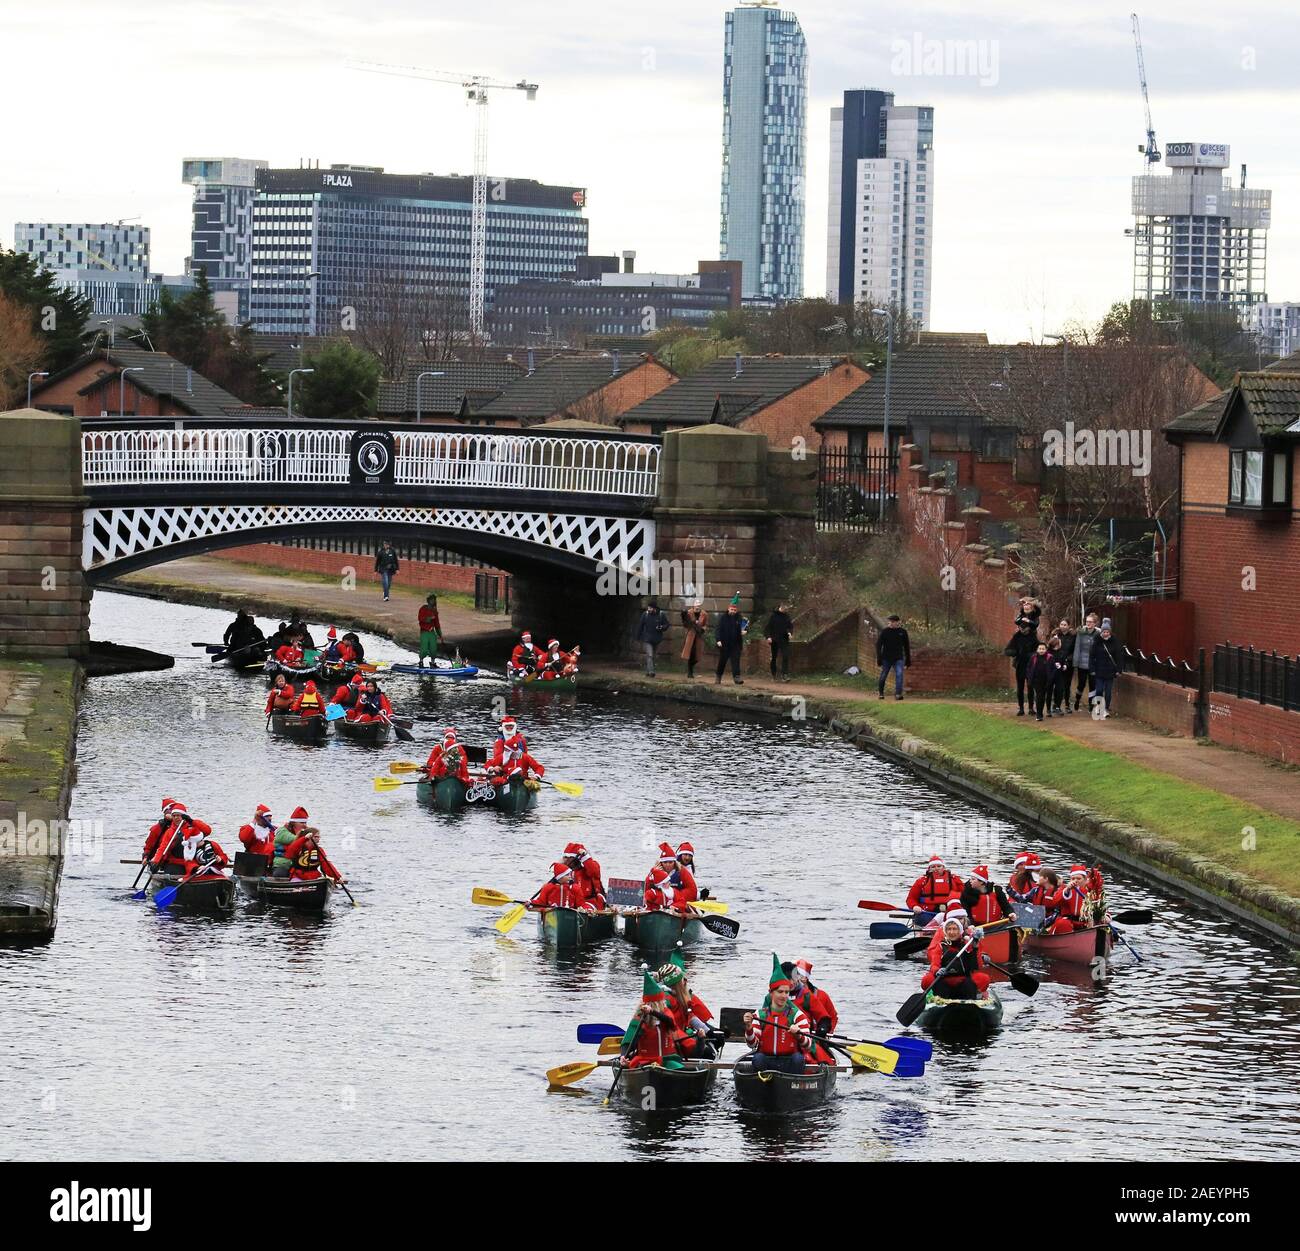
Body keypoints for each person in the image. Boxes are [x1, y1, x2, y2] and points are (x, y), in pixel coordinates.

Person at [743, 955, 816, 1075]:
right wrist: (749, 1028)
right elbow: (752, 1044)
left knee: (798, 1059)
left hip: (790, 1061)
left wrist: (799, 1035)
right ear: (771, 993)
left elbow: (808, 1045)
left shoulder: (797, 1016)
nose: (784, 996)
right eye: (780, 992)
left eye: (787, 992)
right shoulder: (760, 1015)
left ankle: (792, 1084)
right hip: (767, 1060)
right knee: (757, 1059)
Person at [620, 972, 689, 1070]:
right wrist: (623, 1056)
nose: (664, 1003)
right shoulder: (639, 1018)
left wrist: (653, 1012)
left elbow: (671, 1023)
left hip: (667, 1060)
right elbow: (628, 1041)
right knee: (637, 1066)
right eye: (662, 1002)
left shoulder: (665, 1012)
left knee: (680, 1069)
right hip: (645, 1061)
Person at [658, 949, 719, 1060]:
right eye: (682, 980)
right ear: (676, 983)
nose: (685, 982)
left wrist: (709, 1031)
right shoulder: (667, 1000)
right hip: (670, 1039)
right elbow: (670, 1026)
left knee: (711, 1043)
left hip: (679, 1033)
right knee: (708, 1054)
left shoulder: (679, 998)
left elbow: (690, 1017)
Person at [921, 908, 989, 998]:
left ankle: (974, 996)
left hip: (963, 979)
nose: (952, 932)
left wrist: (976, 947)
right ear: (945, 931)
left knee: (983, 978)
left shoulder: (967, 943)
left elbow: (975, 965)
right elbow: (934, 964)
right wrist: (937, 971)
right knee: (927, 980)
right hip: (944, 979)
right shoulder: (940, 945)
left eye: (954, 929)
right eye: (949, 929)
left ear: (959, 931)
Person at [789, 958, 838, 1062]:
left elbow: (832, 1016)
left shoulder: (822, 996)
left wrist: (827, 1033)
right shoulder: (785, 994)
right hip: (794, 1034)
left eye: (796, 975)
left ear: (805, 978)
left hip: (816, 1036)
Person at [148, 802, 213, 874]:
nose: (176, 818)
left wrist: (192, 821)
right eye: (174, 816)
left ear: (184, 816)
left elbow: (208, 830)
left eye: (178, 815)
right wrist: (156, 862)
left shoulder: (193, 825)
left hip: (193, 861)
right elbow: (163, 848)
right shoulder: (170, 831)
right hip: (176, 863)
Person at [1043, 864, 1105, 934]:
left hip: (1085, 923)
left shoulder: (1091, 892)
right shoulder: (1064, 889)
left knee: (1099, 925)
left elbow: (1101, 907)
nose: (1075, 881)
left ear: (1085, 880)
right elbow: (1055, 901)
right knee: (1063, 923)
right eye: (1073, 879)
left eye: (1078, 878)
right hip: (1068, 921)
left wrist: (1105, 916)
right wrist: (1067, 890)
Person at [487, 715, 544, 789]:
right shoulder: (501, 752)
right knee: (497, 780)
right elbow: (489, 763)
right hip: (506, 779)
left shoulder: (524, 756)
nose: (509, 728)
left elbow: (539, 767)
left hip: (523, 779)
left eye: (511, 726)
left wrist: (536, 776)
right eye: (507, 726)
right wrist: (493, 768)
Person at [1004, 617, 1038, 716]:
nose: (1023, 629)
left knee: (1031, 686)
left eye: (1025, 628)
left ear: (1028, 628)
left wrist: (1032, 655)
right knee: (1020, 687)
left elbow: (1039, 648)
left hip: (1030, 665)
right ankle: (1021, 708)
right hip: (1020, 664)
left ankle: (1031, 708)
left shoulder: (1033, 637)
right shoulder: (1016, 637)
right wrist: (1015, 652)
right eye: (1021, 628)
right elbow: (1007, 650)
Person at [1090, 621, 1125, 715]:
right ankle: (1098, 706)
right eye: (1104, 632)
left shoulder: (1114, 642)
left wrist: (1119, 670)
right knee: (1099, 690)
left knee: (1108, 692)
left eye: (1107, 632)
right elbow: (1092, 656)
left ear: (1110, 632)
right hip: (1099, 670)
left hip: (1110, 671)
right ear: (1101, 632)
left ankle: (1105, 708)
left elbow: (1118, 656)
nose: (1105, 634)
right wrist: (1092, 669)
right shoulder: (1097, 641)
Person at [531, 862, 595, 911]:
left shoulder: (575, 888)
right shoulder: (547, 887)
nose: (570, 877)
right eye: (567, 875)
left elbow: (581, 904)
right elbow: (540, 902)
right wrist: (531, 903)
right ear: (560, 877)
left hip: (570, 916)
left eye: (569, 874)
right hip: (551, 917)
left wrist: (587, 909)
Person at [876, 612, 912, 700]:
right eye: (889, 622)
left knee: (899, 674)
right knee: (884, 674)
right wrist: (879, 658)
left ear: (898, 622)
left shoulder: (903, 632)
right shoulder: (885, 632)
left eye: (892, 621)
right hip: (886, 658)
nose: (890, 623)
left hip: (898, 657)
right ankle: (881, 693)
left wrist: (908, 660)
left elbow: (907, 647)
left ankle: (898, 694)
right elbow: (878, 645)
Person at [714, 594, 747, 685]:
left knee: (736, 661)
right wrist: (718, 640)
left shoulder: (739, 618)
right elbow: (718, 629)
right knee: (722, 661)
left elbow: (744, 627)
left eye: (734, 610)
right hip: (725, 644)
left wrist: (744, 631)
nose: (733, 611)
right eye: (731, 610)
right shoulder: (723, 618)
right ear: (728, 609)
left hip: (736, 644)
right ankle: (718, 676)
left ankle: (737, 678)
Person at [1071, 612, 1101, 711]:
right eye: (1087, 621)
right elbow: (1077, 647)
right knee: (1081, 684)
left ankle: (1091, 705)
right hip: (1082, 663)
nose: (1088, 623)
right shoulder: (1081, 632)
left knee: (1093, 685)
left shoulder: (1098, 633)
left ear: (1095, 623)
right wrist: (1075, 663)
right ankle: (1077, 700)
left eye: (1090, 622)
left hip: (1093, 664)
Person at [1026, 642, 1061, 722]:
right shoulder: (1033, 657)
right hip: (1036, 681)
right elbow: (1029, 668)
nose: (1041, 650)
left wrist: (1051, 678)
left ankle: (1043, 711)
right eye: (1040, 649)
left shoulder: (1050, 657)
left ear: (1046, 650)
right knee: (1039, 697)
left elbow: (1053, 669)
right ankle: (1039, 714)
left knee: (1044, 697)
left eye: (1043, 649)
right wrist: (1029, 677)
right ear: (1037, 650)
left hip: (1046, 681)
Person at [563, 842, 606, 909]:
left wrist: (585, 856)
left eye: (567, 857)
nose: (564, 860)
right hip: (570, 903)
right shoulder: (565, 872)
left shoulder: (591, 868)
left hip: (590, 902)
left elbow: (593, 872)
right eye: (564, 857)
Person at [636, 600, 670, 677]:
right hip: (647, 639)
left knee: (653, 656)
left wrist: (661, 627)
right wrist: (638, 637)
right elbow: (640, 626)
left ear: (654, 608)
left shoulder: (661, 614)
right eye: (648, 608)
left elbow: (667, 624)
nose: (649, 609)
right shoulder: (645, 614)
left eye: (650, 608)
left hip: (657, 639)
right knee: (650, 655)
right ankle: (651, 672)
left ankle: (648, 671)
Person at [765, 602, 795, 683]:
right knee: (774, 657)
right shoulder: (773, 616)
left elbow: (790, 626)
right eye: (784, 609)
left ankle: (785, 674)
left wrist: (789, 632)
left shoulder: (787, 616)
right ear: (780, 608)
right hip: (774, 640)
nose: (786, 610)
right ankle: (773, 674)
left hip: (784, 639)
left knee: (785, 656)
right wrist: (768, 637)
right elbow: (767, 628)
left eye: (787, 609)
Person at [670, 841, 706, 908]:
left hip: (683, 899)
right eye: (685, 854)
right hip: (675, 898)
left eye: (689, 855)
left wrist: (699, 895)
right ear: (680, 855)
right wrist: (699, 895)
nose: (687, 858)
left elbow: (690, 888)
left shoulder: (689, 868)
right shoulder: (674, 867)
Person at [680, 599, 709, 679]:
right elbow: (685, 624)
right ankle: (690, 672)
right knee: (691, 653)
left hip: (699, 636)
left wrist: (703, 629)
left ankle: (690, 667)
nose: (698, 605)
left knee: (697, 656)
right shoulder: (689, 613)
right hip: (691, 635)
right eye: (696, 604)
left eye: (699, 604)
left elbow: (706, 624)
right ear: (693, 605)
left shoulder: (704, 614)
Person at [1052, 620, 1076, 714]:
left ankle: (1067, 704)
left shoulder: (1073, 636)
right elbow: (1052, 647)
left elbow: (1074, 651)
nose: (1062, 626)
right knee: (1058, 685)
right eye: (1061, 624)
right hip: (1058, 662)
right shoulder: (1056, 635)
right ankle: (1056, 705)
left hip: (1068, 663)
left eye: (1065, 624)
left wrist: (1067, 660)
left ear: (1068, 626)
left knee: (1067, 685)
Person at [417, 594, 442, 666]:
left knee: (433, 648)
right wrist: (429, 618)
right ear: (428, 601)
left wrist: (440, 634)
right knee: (424, 648)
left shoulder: (434, 611)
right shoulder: (423, 609)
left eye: (434, 600)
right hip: (424, 632)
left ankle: (433, 662)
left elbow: (437, 623)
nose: (433, 601)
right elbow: (420, 619)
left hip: (432, 632)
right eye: (431, 600)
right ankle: (421, 661)